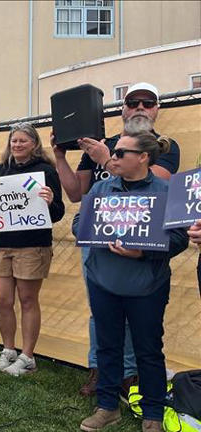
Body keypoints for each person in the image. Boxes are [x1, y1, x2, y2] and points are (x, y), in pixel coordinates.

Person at [53, 81, 181, 396]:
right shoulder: (101, 142)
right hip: (99, 242)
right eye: (133, 102)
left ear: (157, 109)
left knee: (137, 315)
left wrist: (106, 159)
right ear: (122, 109)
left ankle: (130, 374)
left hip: (142, 245)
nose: (140, 107)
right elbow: (74, 193)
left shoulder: (164, 145)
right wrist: (59, 157)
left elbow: (156, 186)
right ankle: (101, 371)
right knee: (103, 312)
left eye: (148, 102)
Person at [73, 133, 188, 432]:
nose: (114, 157)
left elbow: (179, 238)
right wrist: (93, 228)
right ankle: (107, 406)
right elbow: (77, 223)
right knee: (107, 347)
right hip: (103, 281)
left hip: (147, 286)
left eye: (121, 153)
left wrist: (142, 251)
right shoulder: (101, 188)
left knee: (148, 351)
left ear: (143, 157)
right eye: (114, 152)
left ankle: (153, 413)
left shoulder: (166, 191)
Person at [0, 123, 64, 377]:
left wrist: (51, 201)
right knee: (1, 299)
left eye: (23, 141)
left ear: (34, 144)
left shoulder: (45, 171)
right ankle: (8, 349)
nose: (17, 145)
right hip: (0, 244)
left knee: (28, 299)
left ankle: (28, 356)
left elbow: (58, 213)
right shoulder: (0, 170)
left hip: (32, 245)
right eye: (14, 141)